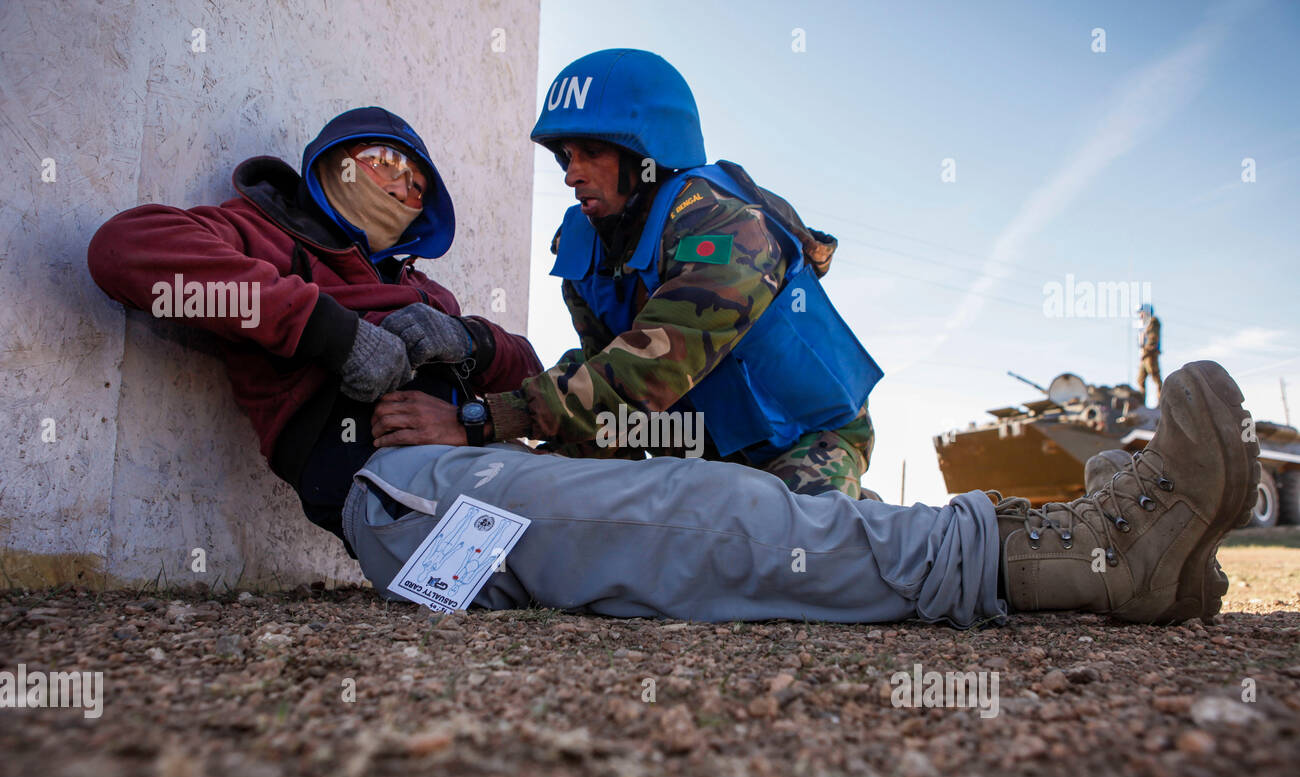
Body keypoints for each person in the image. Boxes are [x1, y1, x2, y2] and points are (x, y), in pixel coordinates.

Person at [343, 359, 1260, 628]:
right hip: (390, 493)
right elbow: (194, 256)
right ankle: (1094, 552)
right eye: (374, 166)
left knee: (729, 508)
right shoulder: (263, 238)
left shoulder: (415, 282)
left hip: (437, 485)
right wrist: (336, 328)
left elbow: (518, 363)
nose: (572, 175)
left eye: (588, 152)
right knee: (698, 513)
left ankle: (1136, 569)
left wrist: (473, 374)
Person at [398, 49, 885, 499]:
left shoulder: (728, 226)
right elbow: (602, 380)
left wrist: (481, 420)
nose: (571, 174)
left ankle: (873, 525)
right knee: (567, 503)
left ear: (646, 154)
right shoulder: (584, 242)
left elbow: (650, 368)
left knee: (791, 556)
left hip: (803, 441)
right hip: (696, 448)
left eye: (591, 153)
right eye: (567, 156)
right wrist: (537, 467)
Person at [87, 107, 543, 548]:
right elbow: (123, 249)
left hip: (478, 457)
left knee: (596, 495)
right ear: (335, 160)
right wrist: (332, 333)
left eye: (417, 187)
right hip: (381, 478)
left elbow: (533, 378)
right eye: (387, 164)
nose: (403, 190)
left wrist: (471, 340)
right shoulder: (266, 238)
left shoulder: (425, 290)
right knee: (565, 526)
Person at [1137, 303, 1163, 404]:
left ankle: (1161, 402)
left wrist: (1148, 350)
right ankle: (1141, 402)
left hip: (1150, 355)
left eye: (1142, 313)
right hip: (1144, 355)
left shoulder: (1153, 322)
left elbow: (1153, 338)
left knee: (1156, 378)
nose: (1140, 315)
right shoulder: (1144, 324)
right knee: (1140, 380)